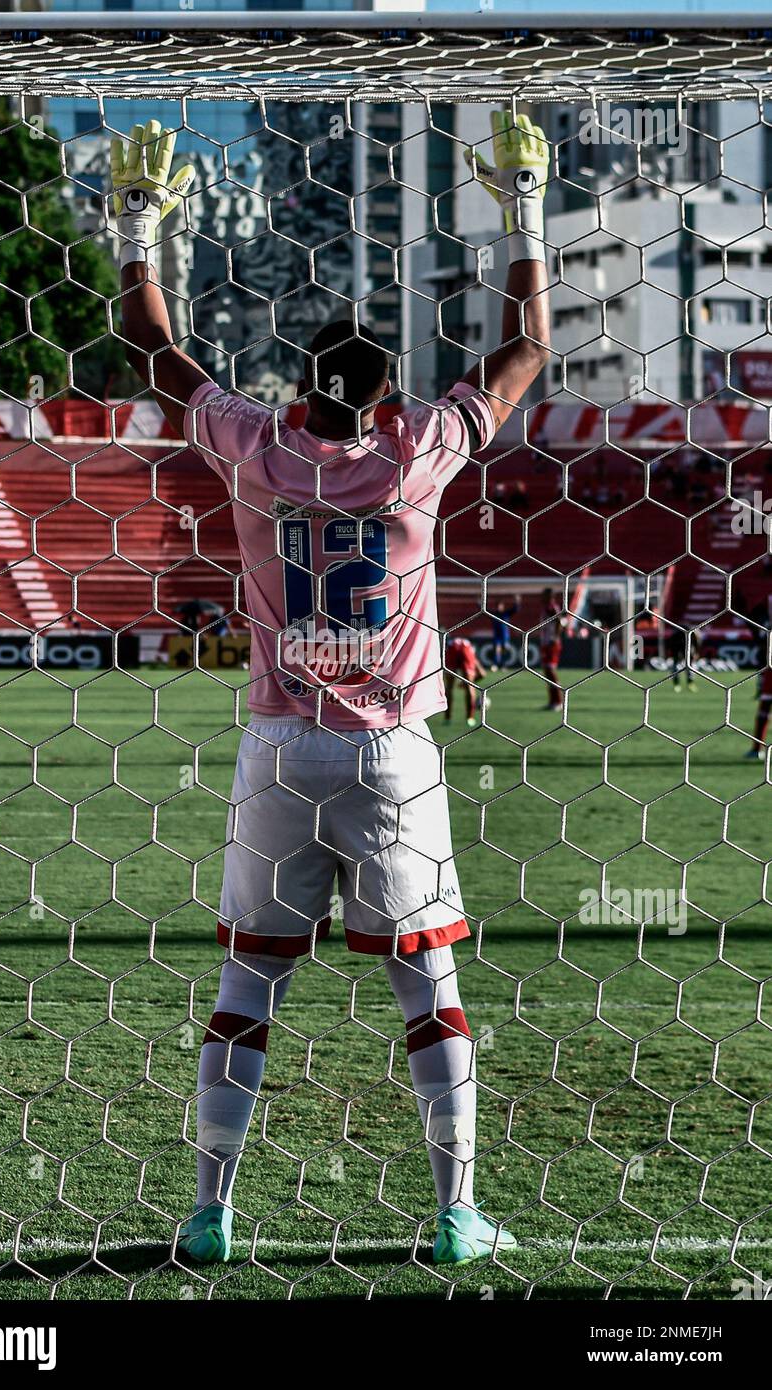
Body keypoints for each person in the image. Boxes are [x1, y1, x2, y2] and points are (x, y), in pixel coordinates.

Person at [113, 111, 550, 1266]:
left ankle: (210, 1211)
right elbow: (525, 356)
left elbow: (157, 356)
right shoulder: (420, 456)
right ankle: (457, 1211)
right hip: (393, 751)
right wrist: (521, 210)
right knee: (430, 985)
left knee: (247, 974)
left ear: (301, 397)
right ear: (394, 402)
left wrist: (136, 232)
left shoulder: (257, 447)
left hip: (278, 744)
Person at [444, 635, 488, 726]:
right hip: (466, 650)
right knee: (470, 686)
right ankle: (470, 718)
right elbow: (482, 674)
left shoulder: (451, 644)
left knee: (449, 687)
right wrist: (466, 683)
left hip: (452, 649)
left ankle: (447, 719)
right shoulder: (469, 648)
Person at [539, 587, 566, 710]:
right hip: (546, 643)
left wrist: (554, 638)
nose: (541, 597)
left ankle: (559, 702)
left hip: (551, 643)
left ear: (549, 596)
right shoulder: (547, 607)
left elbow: (559, 622)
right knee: (547, 672)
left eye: (543, 595)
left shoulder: (551, 607)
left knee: (550, 671)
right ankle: (552, 701)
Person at [490, 598, 517, 671]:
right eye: (497, 606)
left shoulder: (506, 613)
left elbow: (515, 609)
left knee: (504, 650)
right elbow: (485, 611)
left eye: (500, 606)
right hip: (497, 635)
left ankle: (503, 665)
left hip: (505, 636)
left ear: (503, 606)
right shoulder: (494, 614)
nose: (499, 607)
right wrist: (479, 602)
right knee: (497, 649)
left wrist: (517, 601)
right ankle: (495, 664)